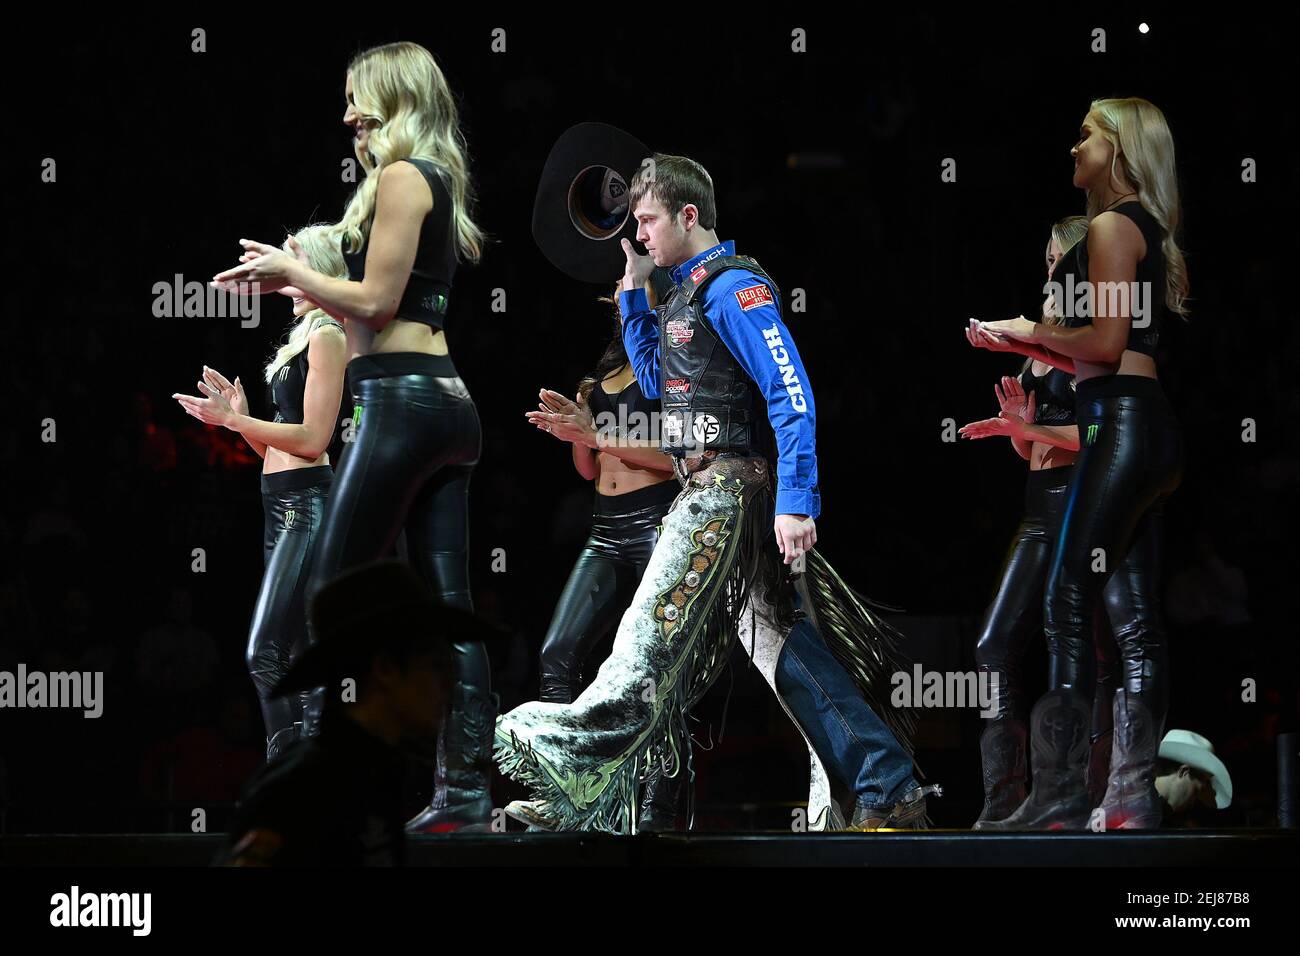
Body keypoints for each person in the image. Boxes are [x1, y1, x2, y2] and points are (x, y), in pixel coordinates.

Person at [497, 153, 931, 833]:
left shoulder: (733, 288)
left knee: (644, 641)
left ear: (688, 215)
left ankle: (572, 781)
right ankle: (892, 786)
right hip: (710, 487)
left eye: (646, 222)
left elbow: (793, 394)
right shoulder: (685, 292)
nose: (637, 235)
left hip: (727, 493)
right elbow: (656, 380)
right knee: (787, 654)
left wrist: (798, 502)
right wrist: (636, 291)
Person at [212, 42, 490, 832]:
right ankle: (462, 790)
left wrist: (295, 275)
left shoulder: (405, 179)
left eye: (356, 100)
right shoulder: (427, 177)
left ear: (392, 96)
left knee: (326, 602)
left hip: (402, 406)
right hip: (443, 405)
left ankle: (327, 790)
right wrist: (292, 270)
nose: (347, 117)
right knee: (446, 607)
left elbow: (371, 299)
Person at [972, 98, 1188, 830]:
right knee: (1132, 623)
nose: (1075, 145)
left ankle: (1063, 793)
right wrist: (1023, 349)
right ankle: (1128, 794)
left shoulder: (1109, 226)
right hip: (1135, 426)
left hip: (1120, 426)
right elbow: (1108, 351)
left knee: (1068, 602)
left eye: (1088, 134)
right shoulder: (1135, 226)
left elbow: (1101, 343)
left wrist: (1025, 326)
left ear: (1120, 149)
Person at [959, 217, 1133, 824]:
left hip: (1083, 508)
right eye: (1048, 257)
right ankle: (1004, 794)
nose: (1051, 270)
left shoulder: (1094, 340)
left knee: (1094, 649)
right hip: (1038, 507)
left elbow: (1099, 436)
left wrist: (1029, 429)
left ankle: (1088, 789)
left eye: (1062, 259)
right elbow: (1032, 448)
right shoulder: (1042, 344)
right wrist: (1017, 431)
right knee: (992, 642)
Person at [174, 223, 348, 756]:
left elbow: (315, 438)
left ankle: (292, 774)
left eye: (291, 261)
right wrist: (244, 420)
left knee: (265, 652)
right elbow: (280, 453)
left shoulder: (328, 335)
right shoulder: (303, 336)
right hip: (282, 504)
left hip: (307, 508)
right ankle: (311, 776)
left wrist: (233, 422)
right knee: (296, 653)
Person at [219, 560, 494, 866]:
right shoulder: (303, 788)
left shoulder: (376, 775)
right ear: (385, 669)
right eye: (435, 666)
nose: (448, 685)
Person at [1155, 729, 1232, 825]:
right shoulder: (1140, 810)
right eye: (1196, 791)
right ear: (1183, 772)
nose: (1192, 804)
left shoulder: (1150, 811)